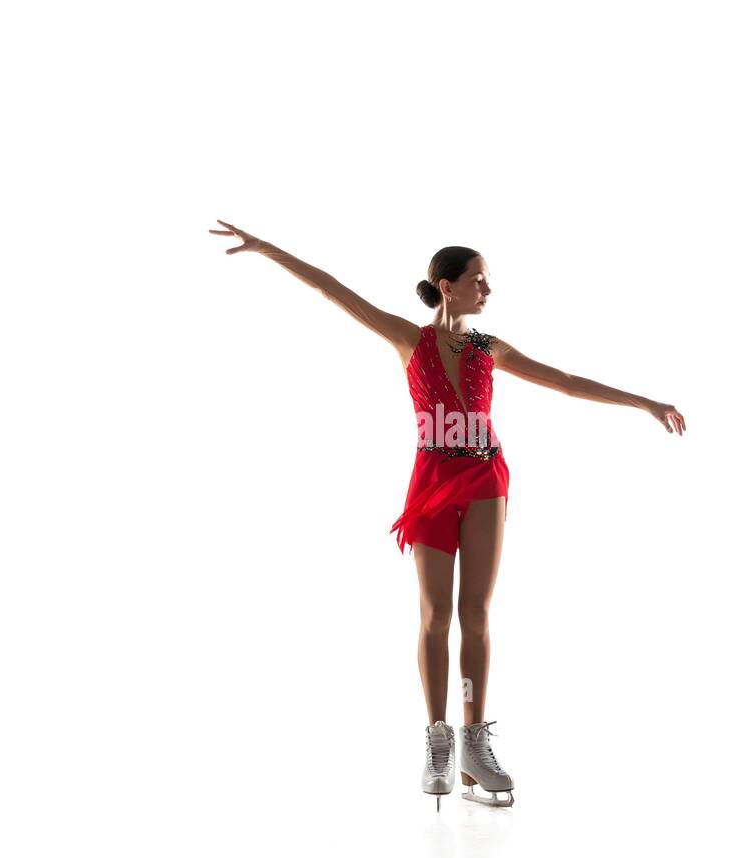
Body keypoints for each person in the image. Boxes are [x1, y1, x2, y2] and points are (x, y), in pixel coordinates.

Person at [209, 220, 686, 810]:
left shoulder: (490, 349)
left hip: (486, 479)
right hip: (433, 481)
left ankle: (474, 743)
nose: (487, 290)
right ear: (447, 285)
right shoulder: (410, 339)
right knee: (436, 614)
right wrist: (266, 248)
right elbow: (332, 288)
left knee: (476, 615)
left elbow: (564, 382)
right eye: (478, 280)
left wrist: (645, 402)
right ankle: (437, 740)